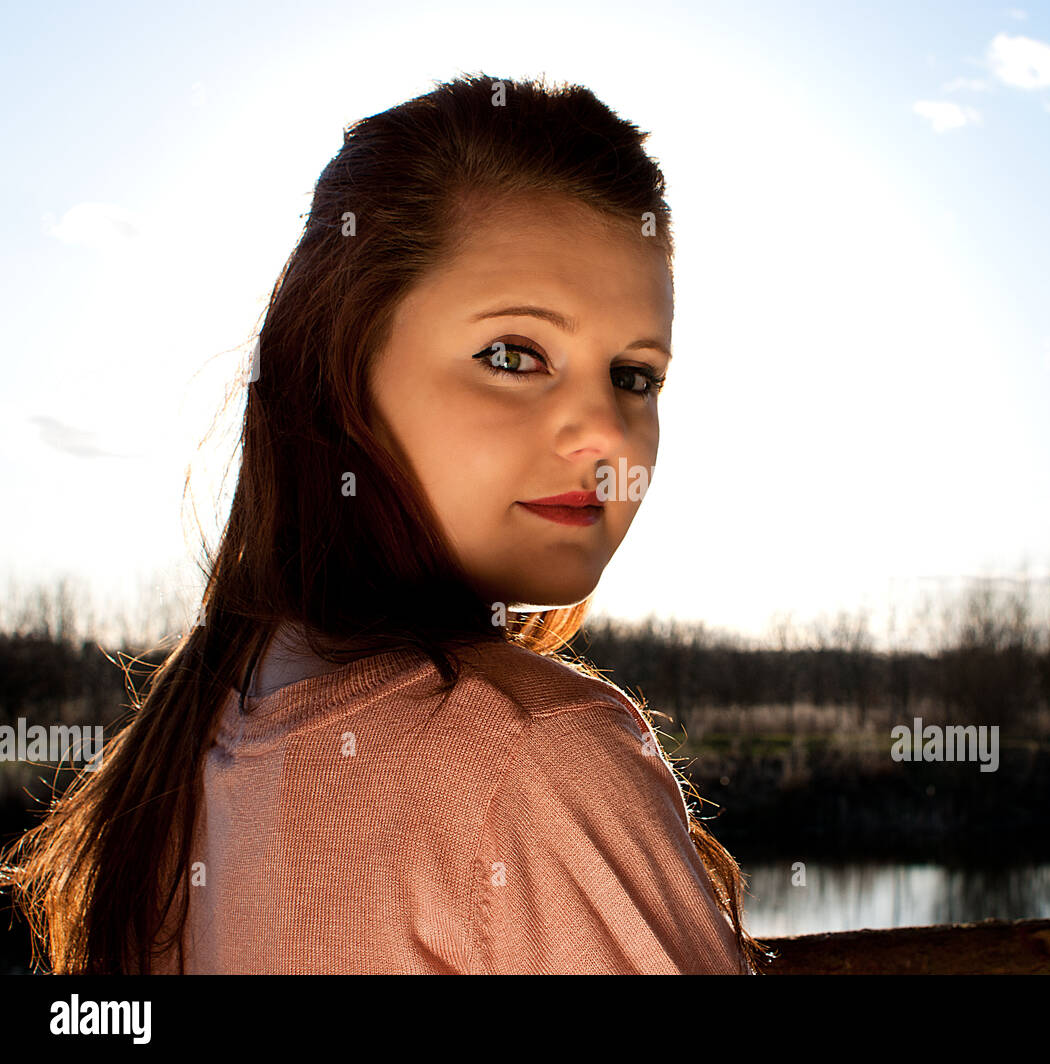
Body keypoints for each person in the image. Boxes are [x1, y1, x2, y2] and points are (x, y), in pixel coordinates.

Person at [0, 72, 772, 975]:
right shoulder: (532, 756)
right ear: (341, 369)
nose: (605, 430)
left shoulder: (197, 737)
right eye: (514, 355)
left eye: (635, 374)